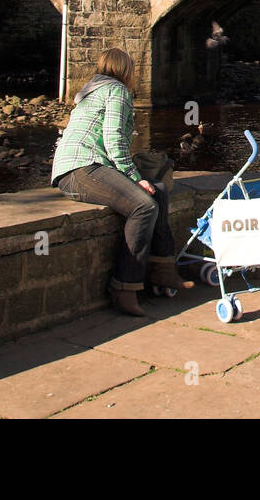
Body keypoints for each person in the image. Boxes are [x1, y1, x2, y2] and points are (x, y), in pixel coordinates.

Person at [51, 48, 192, 316]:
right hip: (81, 169)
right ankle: (124, 288)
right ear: (126, 70)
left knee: (159, 191)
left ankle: (162, 270)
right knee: (144, 206)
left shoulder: (92, 89)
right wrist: (134, 178)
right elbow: (114, 139)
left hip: (83, 167)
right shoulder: (117, 91)